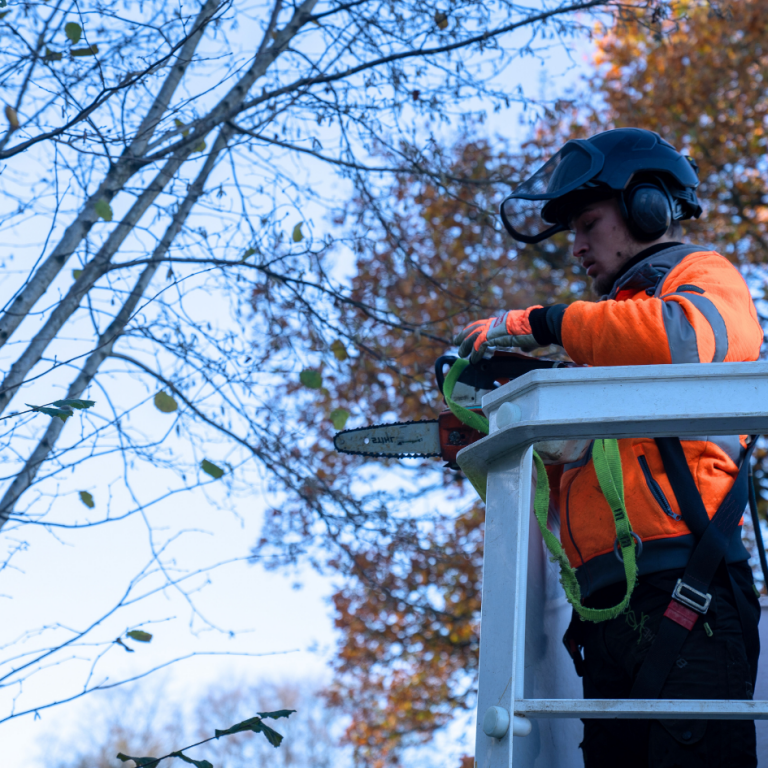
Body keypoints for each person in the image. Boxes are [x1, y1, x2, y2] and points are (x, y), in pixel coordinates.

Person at [454, 128, 764, 767]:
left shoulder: (702, 278)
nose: (578, 247)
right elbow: (599, 465)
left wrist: (541, 323)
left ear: (646, 208)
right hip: (605, 607)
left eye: (589, 223)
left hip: (690, 583)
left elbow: (682, 339)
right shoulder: (604, 343)